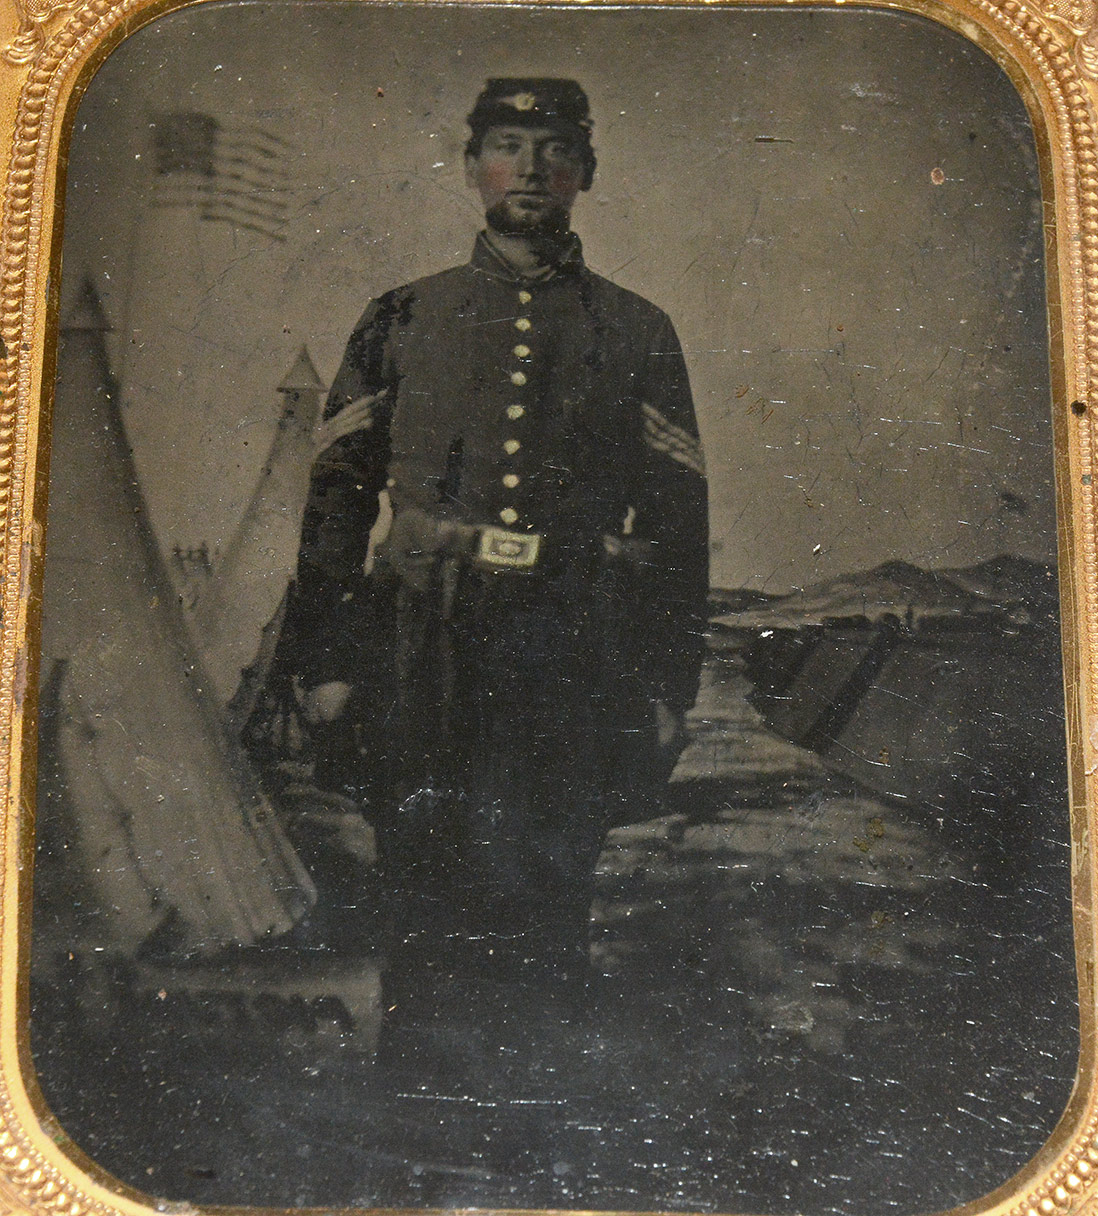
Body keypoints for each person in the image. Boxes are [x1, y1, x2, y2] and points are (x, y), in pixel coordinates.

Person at [275, 78, 709, 982]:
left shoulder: (638, 330)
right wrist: (324, 660)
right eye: (508, 145)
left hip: (573, 645)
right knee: (421, 892)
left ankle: (535, 1111)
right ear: (472, 166)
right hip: (421, 645)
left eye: (556, 151)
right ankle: (421, 1110)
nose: (532, 168)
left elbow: (676, 520)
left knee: (551, 895)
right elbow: (337, 503)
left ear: (585, 173)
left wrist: (668, 682)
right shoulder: (401, 317)